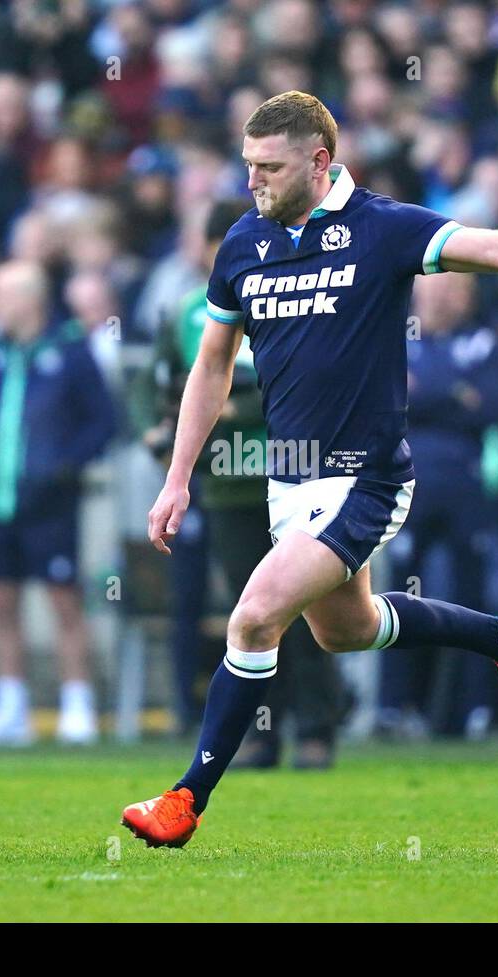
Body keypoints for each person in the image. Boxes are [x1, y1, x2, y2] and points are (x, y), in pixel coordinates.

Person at [121, 91, 498, 848]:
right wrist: (178, 476)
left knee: (253, 616)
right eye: (248, 165)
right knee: (347, 631)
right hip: (288, 485)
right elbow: (212, 366)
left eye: (269, 167)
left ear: (319, 163)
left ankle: (186, 797)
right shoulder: (243, 242)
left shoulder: (382, 229)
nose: (252, 181)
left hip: (366, 479)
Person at [146, 198, 347, 768]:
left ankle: (316, 730)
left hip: (295, 473)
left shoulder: (290, 295)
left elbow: (302, 382)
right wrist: (155, 428)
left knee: (309, 611)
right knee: (250, 609)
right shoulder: (189, 311)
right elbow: (160, 382)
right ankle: (262, 733)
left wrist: (238, 404)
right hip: (228, 484)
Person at [0, 260, 117, 746]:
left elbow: (103, 421)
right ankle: (11, 705)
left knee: (64, 602)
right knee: (1, 603)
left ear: (29, 299)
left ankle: (78, 703)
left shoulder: (70, 352)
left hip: (50, 502)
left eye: (0, 295)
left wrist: (65, 467)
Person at [378, 271, 498, 740]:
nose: (442, 297)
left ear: (467, 295)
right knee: (400, 598)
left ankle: (476, 710)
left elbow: (496, 406)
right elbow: (391, 401)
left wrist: (429, 393)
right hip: (408, 488)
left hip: (470, 491)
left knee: (476, 601)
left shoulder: (485, 345)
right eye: (434, 287)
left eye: (454, 288)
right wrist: (454, 395)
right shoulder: (395, 340)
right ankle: (395, 707)